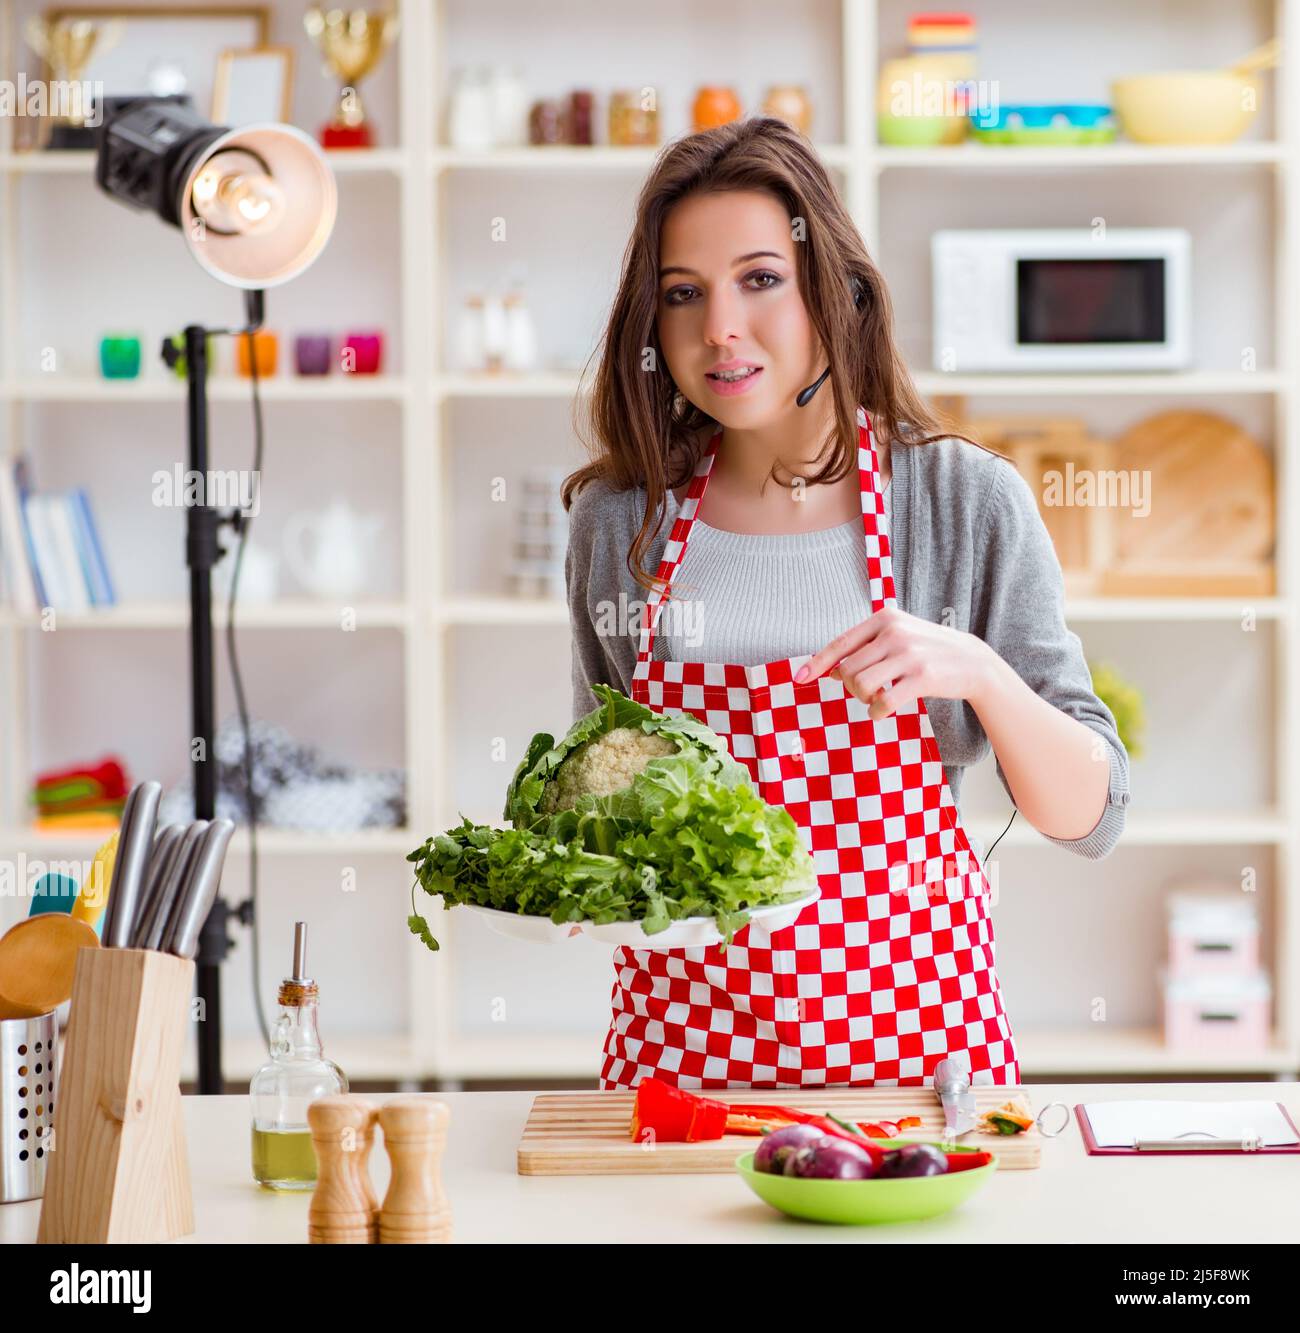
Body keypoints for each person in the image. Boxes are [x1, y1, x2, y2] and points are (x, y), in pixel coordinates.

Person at [562, 116, 1131, 1091]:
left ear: (837, 290)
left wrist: (981, 674)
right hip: (683, 1068)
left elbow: (1092, 817)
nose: (720, 330)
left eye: (760, 278)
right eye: (682, 295)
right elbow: (596, 797)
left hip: (915, 1069)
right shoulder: (622, 523)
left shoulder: (963, 503)